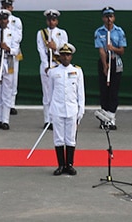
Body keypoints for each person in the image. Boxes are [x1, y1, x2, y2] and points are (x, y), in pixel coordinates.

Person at [48, 42, 84, 176]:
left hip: (72, 109)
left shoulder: (77, 71)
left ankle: (69, 165)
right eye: (63, 55)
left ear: (71, 57)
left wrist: (81, 111)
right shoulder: (53, 72)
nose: (65, 57)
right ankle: (60, 165)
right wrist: (50, 111)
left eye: (68, 55)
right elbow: (50, 93)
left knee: (70, 138)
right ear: (59, 56)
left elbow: (81, 93)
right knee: (58, 138)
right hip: (57, 109)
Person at [93, 6, 125, 130]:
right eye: (106, 17)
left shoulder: (119, 31)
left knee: (113, 89)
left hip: (115, 61)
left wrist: (113, 49)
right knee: (104, 89)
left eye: (111, 16)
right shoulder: (99, 32)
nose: (109, 19)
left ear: (114, 17)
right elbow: (101, 50)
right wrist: (105, 65)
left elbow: (122, 50)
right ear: (103, 18)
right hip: (104, 61)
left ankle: (111, 118)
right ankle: (104, 118)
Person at [0, 8, 19, 130]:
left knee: (7, 92)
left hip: (9, 62)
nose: (3, 21)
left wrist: (7, 49)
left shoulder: (13, 34)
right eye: (1, 19)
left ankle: (5, 120)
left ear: (8, 21)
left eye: (5, 19)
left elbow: (16, 50)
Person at [37, 9, 67, 127]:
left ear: (57, 21)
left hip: (58, 65)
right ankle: (47, 120)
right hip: (46, 67)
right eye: (49, 20)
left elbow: (64, 49)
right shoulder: (41, 33)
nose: (51, 22)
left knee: (58, 93)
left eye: (53, 20)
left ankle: (57, 119)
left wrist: (55, 47)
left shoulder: (62, 33)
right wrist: (46, 66)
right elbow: (40, 50)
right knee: (47, 95)